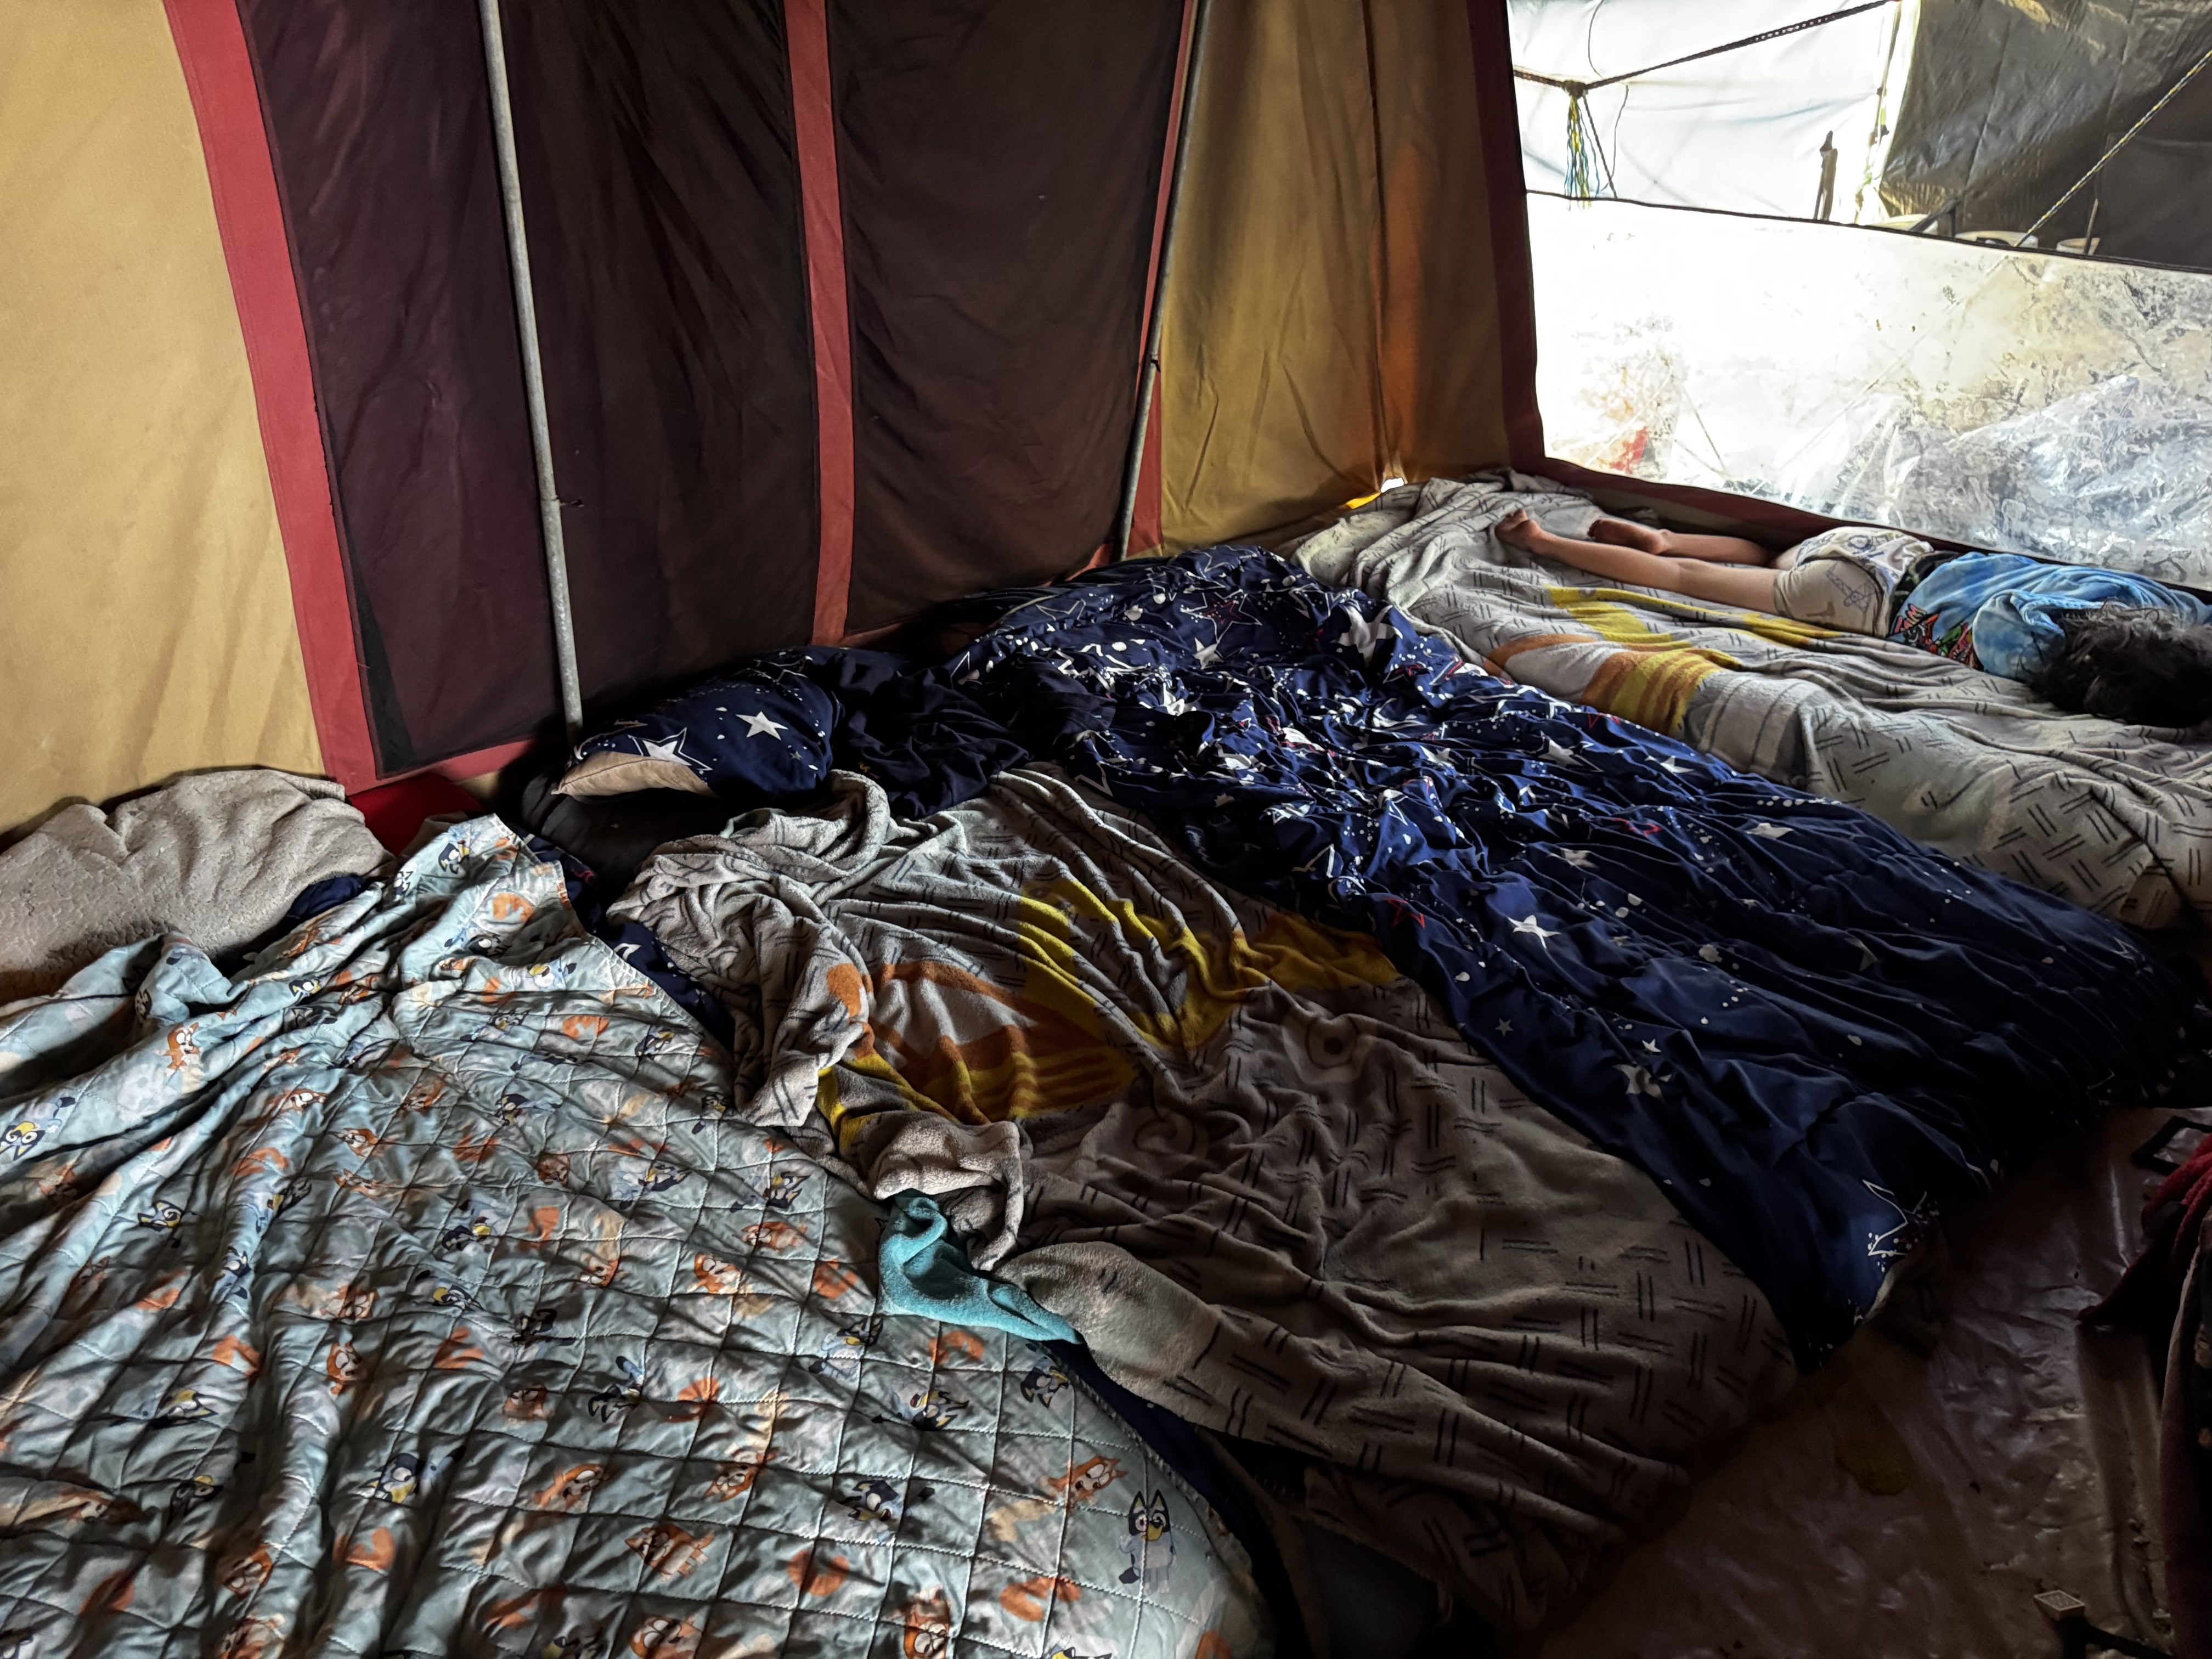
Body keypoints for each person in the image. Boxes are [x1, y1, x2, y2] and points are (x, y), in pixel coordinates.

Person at [1494, 508, 2212, 728]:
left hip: (1888, 551)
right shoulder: (2028, 651)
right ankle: (1547, 543)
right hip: (1863, 603)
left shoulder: (2157, 601)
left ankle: (1666, 535)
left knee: (1771, 559)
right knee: (1695, 584)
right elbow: (2004, 621)